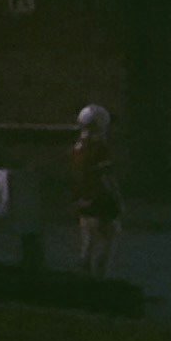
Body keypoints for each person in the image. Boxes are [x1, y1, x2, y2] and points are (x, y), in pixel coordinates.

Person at [67, 102, 123, 277]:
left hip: (82, 196)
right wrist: (118, 200)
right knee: (108, 237)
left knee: (88, 241)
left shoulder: (76, 149)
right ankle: (100, 278)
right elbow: (107, 177)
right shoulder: (99, 149)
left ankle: (84, 274)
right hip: (101, 199)